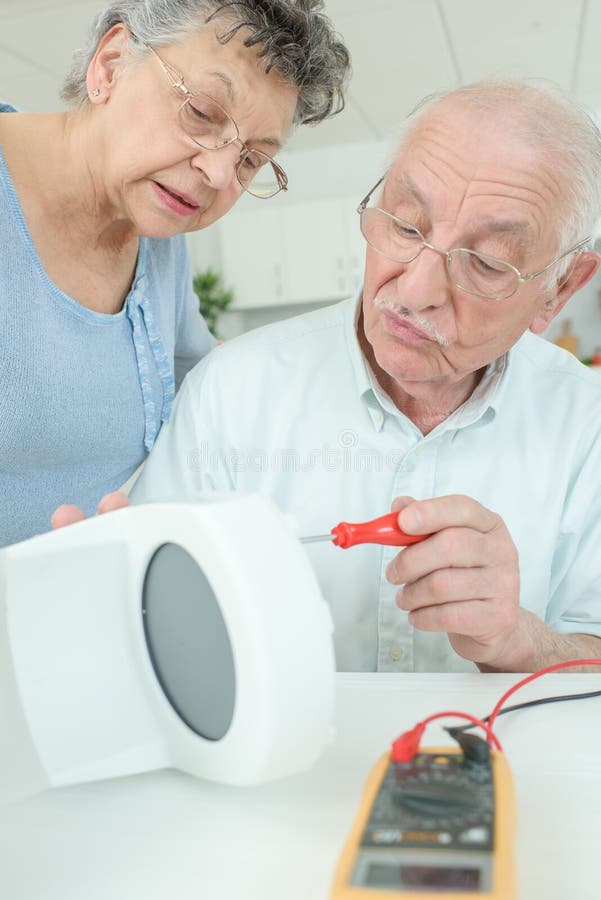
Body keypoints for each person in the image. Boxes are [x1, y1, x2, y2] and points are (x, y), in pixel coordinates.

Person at [56, 79, 601, 674]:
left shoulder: (586, 425)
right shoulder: (232, 392)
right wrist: (117, 603)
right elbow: (150, 622)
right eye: (406, 224)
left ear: (561, 288)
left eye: (488, 262)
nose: (414, 292)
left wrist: (520, 641)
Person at [0, 0, 349, 547]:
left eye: (250, 159)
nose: (216, 173)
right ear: (110, 65)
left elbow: (199, 381)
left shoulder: (157, 237)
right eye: (203, 113)